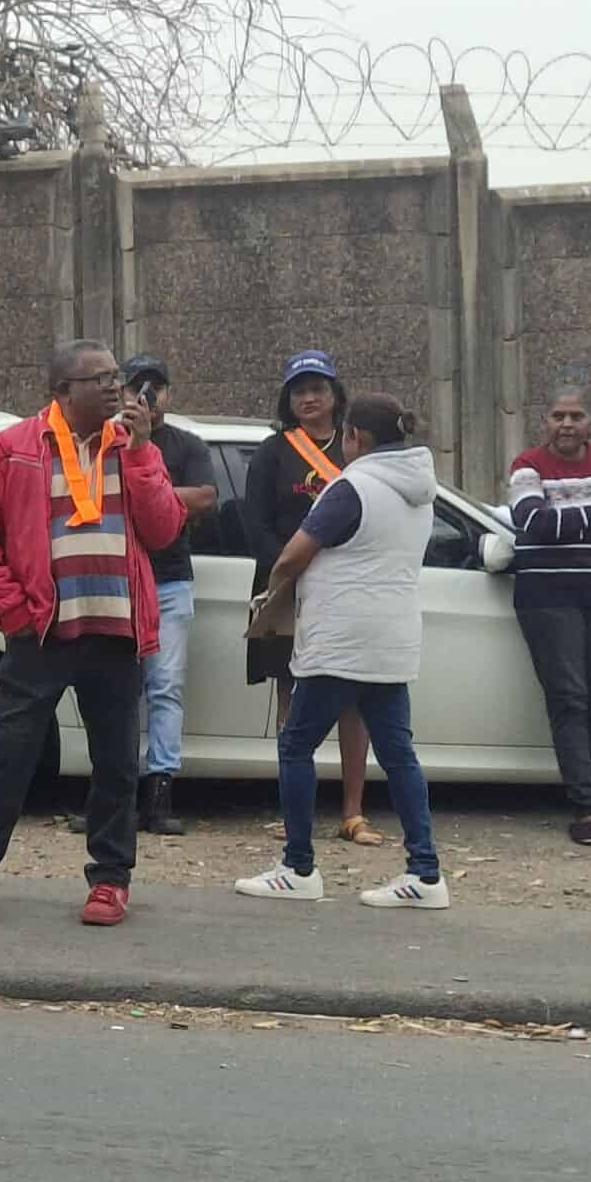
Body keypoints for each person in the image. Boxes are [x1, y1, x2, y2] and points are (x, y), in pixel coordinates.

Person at [0, 340, 185, 928]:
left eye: (117, 377)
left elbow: (165, 530)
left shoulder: (132, 445)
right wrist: (14, 612)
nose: (116, 387)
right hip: (40, 631)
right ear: (64, 390)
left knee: (116, 762)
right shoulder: (11, 449)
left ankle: (110, 880)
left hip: (116, 631)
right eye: (101, 379)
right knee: (8, 756)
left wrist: (142, 453)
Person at [236, 394, 449, 909]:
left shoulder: (352, 486)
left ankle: (298, 867)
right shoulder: (420, 490)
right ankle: (425, 874)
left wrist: (274, 595)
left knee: (296, 745)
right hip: (392, 641)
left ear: (356, 436)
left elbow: (292, 555)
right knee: (399, 755)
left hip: (340, 641)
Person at [243, 351, 382, 848]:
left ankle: (353, 813)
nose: (309, 398)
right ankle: (294, 810)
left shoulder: (356, 449)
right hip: (287, 587)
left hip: (348, 587)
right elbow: (254, 522)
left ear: (335, 395)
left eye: (317, 388)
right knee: (293, 698)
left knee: (352, 698)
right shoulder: (272, 452)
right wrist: (290, 569)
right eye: (299, 390)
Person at [505, 384, 591, 846]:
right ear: (544, 421)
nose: (567, 424)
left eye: (576, 416)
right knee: (570, 700)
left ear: (590, 423)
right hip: (548, 597)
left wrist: (567, 520)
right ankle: (585, 809)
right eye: (558, 416)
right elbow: (532, 521)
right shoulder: (527, 465)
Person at [116, 355, 217, 837]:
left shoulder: (187, 444)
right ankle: (113, 793)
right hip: (116, 579)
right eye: (137, 387)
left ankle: (159, 793)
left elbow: (207, 497)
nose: (147, 396)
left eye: (155, 387)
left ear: (169, 394)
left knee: (165, 688)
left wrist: (149, 496)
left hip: (170, 580)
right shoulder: (107, 439)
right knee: (116, 690)